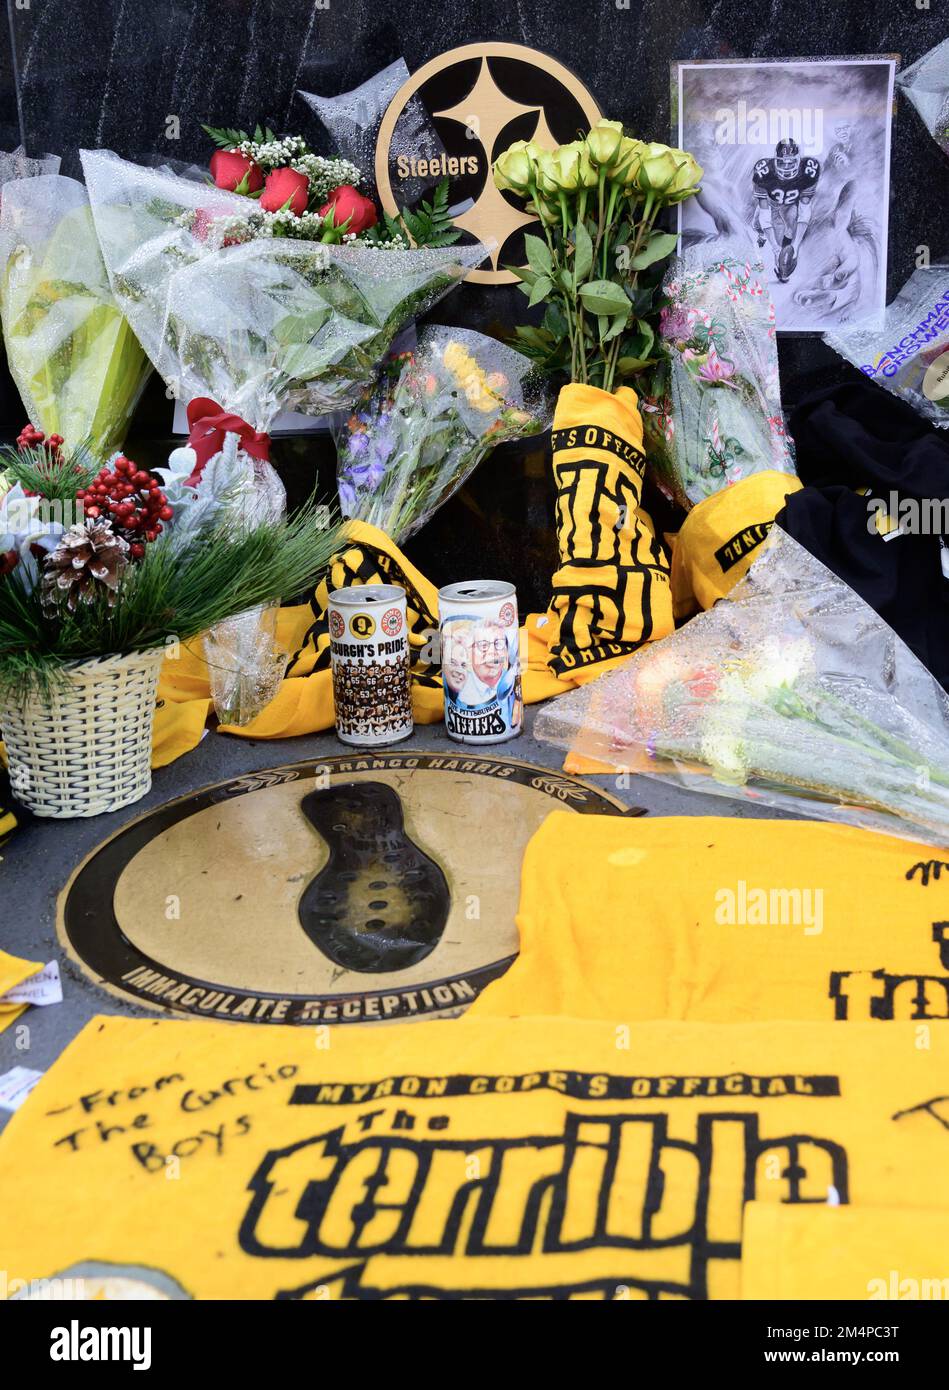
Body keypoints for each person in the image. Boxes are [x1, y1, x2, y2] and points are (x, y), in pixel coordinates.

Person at [752, 138, 821, 282]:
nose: (787, 166)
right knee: (759, 226)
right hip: (771, 204)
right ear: (776, 160)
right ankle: (764, 238)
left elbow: (804, 211)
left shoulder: (808, 170)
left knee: (791, 228)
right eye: (782, 162)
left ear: (798, 160)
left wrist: (796, 245)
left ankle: (784, 266)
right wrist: (775, 249)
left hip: (790, 204)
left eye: (791, 162)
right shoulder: (764, 170)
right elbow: (764, 213)